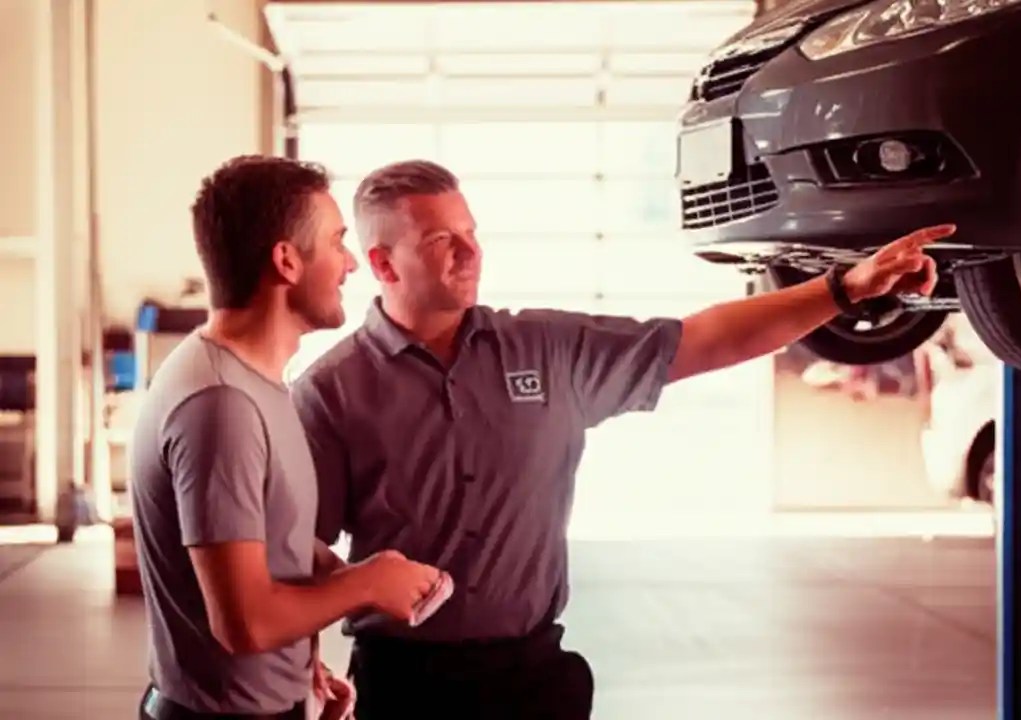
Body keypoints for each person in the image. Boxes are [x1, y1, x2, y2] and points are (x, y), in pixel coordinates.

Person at [290, 160, 953, 719]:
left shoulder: (548, 350)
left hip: (535, 682)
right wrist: (306, 660)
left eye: (471, 232)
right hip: (409, 689)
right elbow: (297, 552)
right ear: (381, 263)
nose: (471, 252)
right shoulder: (331, 391)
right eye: (441, 239)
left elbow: (706, 338)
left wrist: (844, 288)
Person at [130, 155, 447, 720]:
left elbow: (265, 539)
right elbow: (245, 623)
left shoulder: (253, 383)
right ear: (286, 261)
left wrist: (302, 668)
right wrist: (368, 584)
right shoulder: (221, 406)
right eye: (336, 242)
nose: (350, 263)